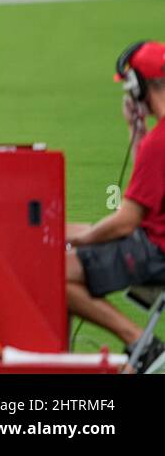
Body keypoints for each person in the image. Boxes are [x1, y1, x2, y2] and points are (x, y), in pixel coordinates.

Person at [66, 41, 165, 372]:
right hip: (152, 238)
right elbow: (147, 198)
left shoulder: (159, 142)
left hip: (156, 250)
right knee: (71, 233)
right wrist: (136, 132)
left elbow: (125, 222)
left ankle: (142, 343)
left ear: (140, 88)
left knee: (55, 272)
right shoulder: (156, 140)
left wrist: (80, 239)